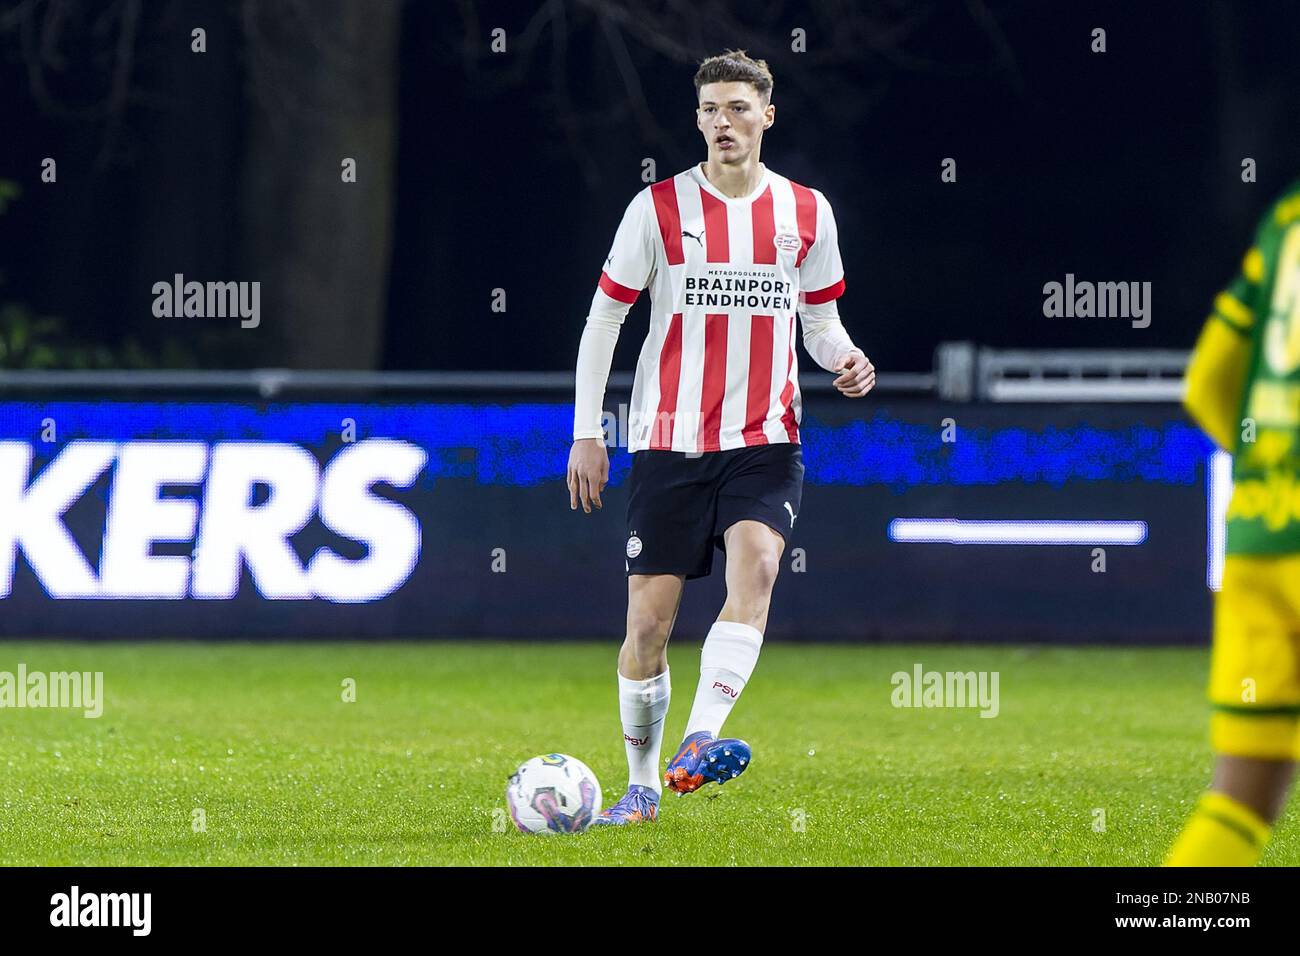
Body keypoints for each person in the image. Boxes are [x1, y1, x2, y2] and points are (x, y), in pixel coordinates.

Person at [567, 50, 874, 825]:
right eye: (710, 110)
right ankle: (641, 786)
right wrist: (587, 433)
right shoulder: (659, 209)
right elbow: (606, 318)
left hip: (766, 438)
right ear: (698, 119)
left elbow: (820, 322)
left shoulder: (808, 213)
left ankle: (701, 738)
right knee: (648, 627)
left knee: (760, 566)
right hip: (667, 439)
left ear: (767, 116)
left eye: (738, 108)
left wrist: (845, 358)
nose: (722, 122)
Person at [1166, 180, 1300, 864]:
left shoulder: (1287, 216)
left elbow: (1208, 382)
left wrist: (1271, 469)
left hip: (1262, 537)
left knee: (1240, 804)